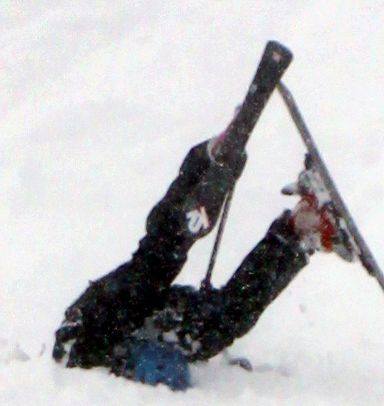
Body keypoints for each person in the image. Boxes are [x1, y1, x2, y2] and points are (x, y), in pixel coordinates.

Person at [52, 124, 355, 388]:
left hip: (92, 336)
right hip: (116, 333)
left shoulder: (76, 366)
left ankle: (298, 222)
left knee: (158, 267)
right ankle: (301, 225)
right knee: (181, 285)